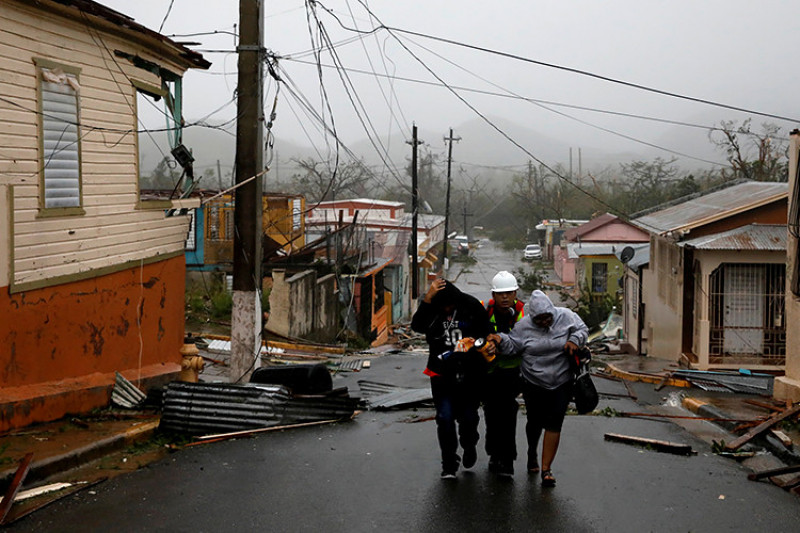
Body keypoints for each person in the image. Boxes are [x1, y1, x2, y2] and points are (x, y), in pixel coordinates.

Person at [488, 289, 588, 487]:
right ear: (532, 317)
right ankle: (532, 450)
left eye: (547, 318)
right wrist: (499, 339)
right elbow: (512, 346)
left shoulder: (566, 316)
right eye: (539, 319)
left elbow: (582, 329)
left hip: (562, 379)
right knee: (535, 421)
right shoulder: (523, 327)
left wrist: (574, 340)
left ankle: (546, 469)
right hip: (533, 380)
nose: (544, 322)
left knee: (555, 421)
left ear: (552, 311)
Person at [411, 277, 494, 479]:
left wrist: (487, 343)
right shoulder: (432, 308)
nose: (447, 309)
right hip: (441, 373)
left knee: (469, 417)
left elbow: (487, 331)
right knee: (444, 417)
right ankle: (449, 463)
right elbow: (417, 326)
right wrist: (428, 299)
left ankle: (469, 444)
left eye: (449, 305)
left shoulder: (471, 305)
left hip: (470, 373)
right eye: (443, 305)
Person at [482, 271, 525, 477]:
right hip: (490, 373)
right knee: (491, 413)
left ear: (515, 292)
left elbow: (525, 342)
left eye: (509, 293)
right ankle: (494, 453)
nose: (505, 297)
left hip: (512, 373)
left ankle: (507, 459)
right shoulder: (485, 311)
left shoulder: (522, 314)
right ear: (494, 295)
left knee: (508, 413)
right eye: (501, 294)